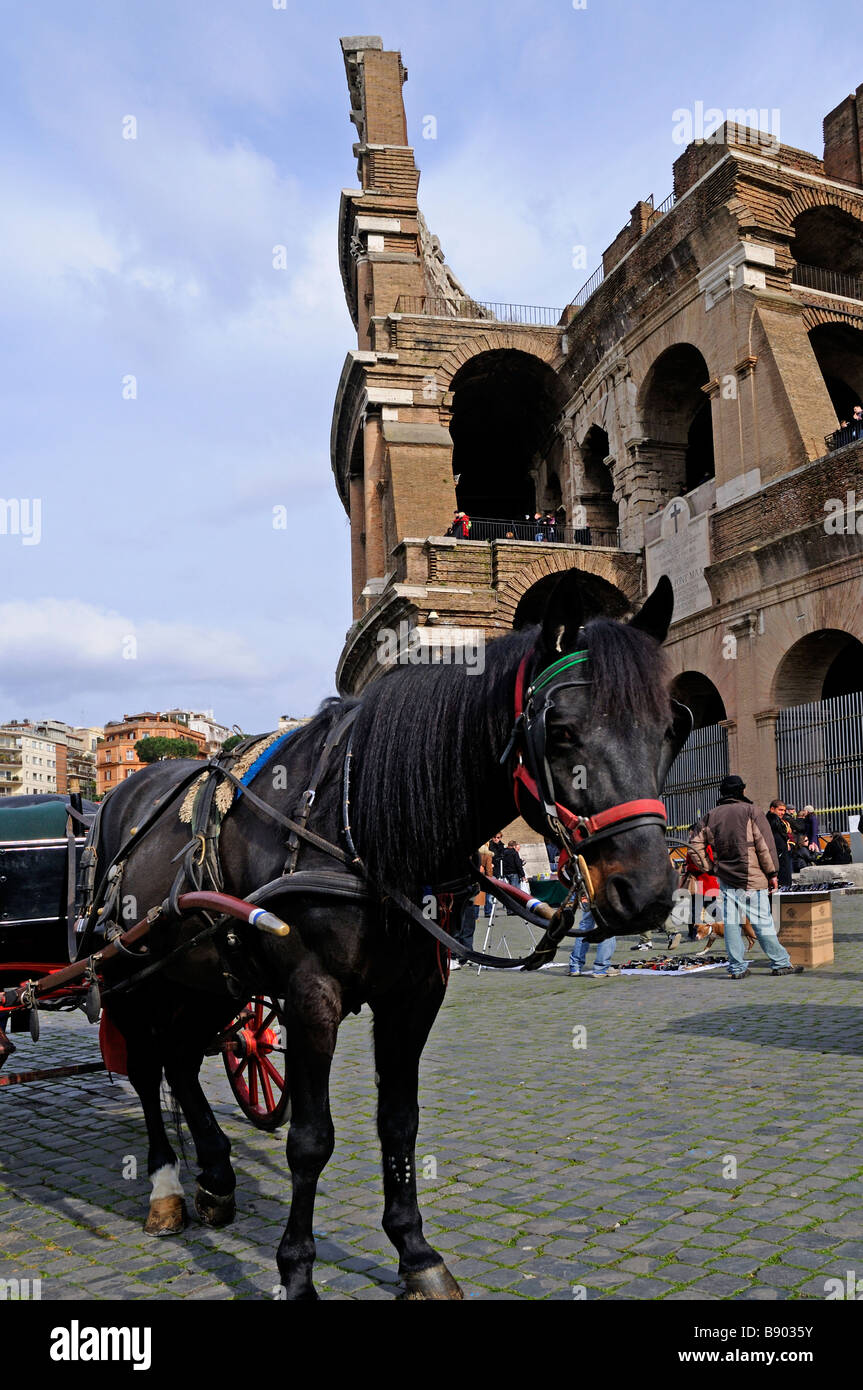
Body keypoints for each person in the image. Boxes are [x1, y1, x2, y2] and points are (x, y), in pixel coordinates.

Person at [689, 774, 802, 979]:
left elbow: (694, 846)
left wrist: (710, 867)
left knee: (731, 924)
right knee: (762, 922)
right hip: (752, 876)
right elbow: (765, 846)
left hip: (725, 876)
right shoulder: (752, 812)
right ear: (742, 791)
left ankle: (737, 968)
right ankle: (780, 963)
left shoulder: (711, 815)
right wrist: (772, 873)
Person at [568, 902, 617, 978]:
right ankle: (601, 968)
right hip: (604, 897)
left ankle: (575, 966)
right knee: (608, 927)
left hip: (587, 896)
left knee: (585, 927)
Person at [767, 799, 793, 889]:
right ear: (772, 809)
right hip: (777, 859)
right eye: (780, 810)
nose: (782, 813)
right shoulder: (771, 822)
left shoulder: (782, 822)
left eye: (784, 811)